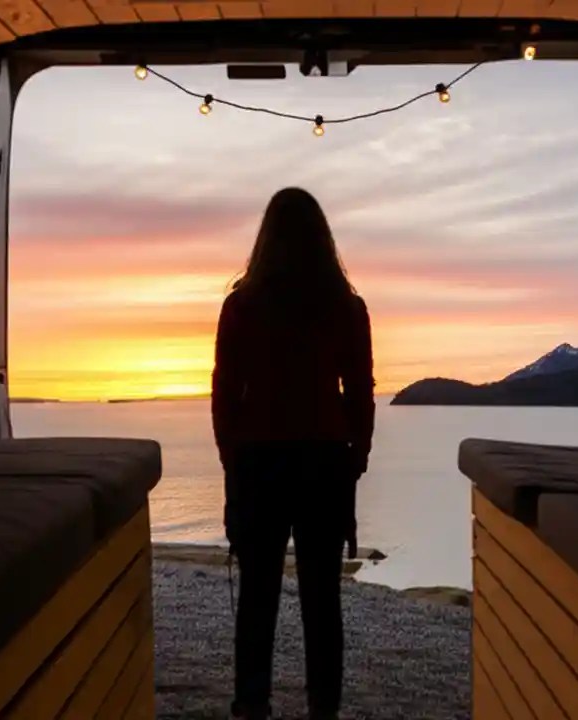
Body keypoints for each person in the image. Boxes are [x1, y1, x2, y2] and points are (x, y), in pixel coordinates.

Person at [212, 187, 375, 720]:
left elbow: (225, 393)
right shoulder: (346, 308)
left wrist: (232, 459)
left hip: (258, 464)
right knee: (322, 600)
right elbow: (360, 393)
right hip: (324, 464)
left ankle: (251, 705)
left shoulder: (241, 306)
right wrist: (356, 460)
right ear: (324, 240)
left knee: (257, 595)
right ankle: (323, 710)